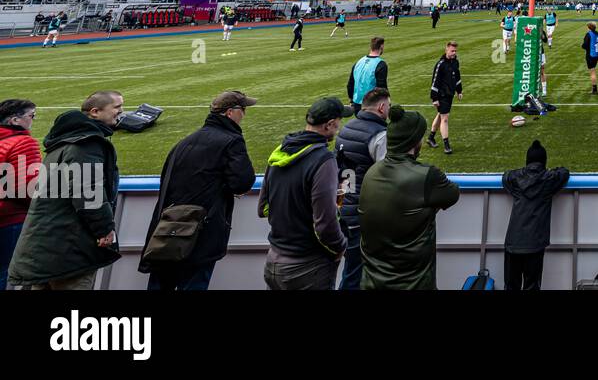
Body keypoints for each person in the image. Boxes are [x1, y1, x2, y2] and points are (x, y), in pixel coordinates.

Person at [139, 91, 257, 291]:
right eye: (242, 109)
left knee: (161, 282)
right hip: (201, 230)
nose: (244, 114)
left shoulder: (184, 142)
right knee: (194, 281)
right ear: (230, 113)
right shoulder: (231, 140)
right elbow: (243, 182)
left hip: (167, 229)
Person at [6, 91, 123, 291]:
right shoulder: (86, 143)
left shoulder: (63, 142)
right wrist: (104, 228)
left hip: (47, 244)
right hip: (68, 247)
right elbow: (88, 191)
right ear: (95, 112)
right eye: (117, 107)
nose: (121, 112)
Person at [358, 105, 460, 289]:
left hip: (372, 282)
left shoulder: (371, 173)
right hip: (414, 283)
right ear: (415, 141)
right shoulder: (427, 176)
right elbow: (452, 194)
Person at [258, 97, 348, 290]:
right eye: (338, 122)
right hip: (307, 268)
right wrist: (340, 246)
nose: (339, 127)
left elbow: (263, 207)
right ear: (329, 124)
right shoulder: (323, 160)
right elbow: (325, 224)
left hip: (274, 262)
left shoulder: (280, 151)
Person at [334, 87, 391, 290]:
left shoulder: (346, 128)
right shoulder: (380, 135)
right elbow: (387, 178)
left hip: (345, 208)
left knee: (351, 271)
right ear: (382, 107)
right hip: (365, 213)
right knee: (359, 274)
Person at [502, 140, 570, 290]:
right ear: (544, 162)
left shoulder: (516, 178)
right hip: (535, 244)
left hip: (513, 242)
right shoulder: (548, 180)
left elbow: (506, 177)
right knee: (532, 286)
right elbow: (564, 173)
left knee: (511, 286)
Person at [0, 100, 40, 291]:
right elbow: (27, 188)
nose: (33, 120)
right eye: (31, 116)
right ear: (15, 120)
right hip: (10, 219)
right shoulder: (23, 142)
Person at [428, 42, 462, 154]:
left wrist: (459, 90)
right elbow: (435, 81)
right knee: (445, 118)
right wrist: (434, 98)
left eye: (455, 51)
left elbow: (457, 76)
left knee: (441, 114)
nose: (454, 53)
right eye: (452, 51)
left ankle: (431, 137)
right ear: (446, 50)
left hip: (450, 94)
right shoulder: (440, 64)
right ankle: (446, 145)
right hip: (441, 95)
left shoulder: (455, 62)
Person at [346, 37, 388, 116]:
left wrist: (351, 100)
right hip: (372, 105)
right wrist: (386, 102)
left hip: (357, 103)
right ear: (381, 47)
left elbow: (350, 84)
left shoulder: (358, 62)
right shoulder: (380, 64)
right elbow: (381, 87)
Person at [582, 22, 598, 95]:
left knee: (592, 71)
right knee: (593, 70)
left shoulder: (588, 34)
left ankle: (594, 89)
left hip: (590, 55)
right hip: (597, 54)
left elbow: (584, 46)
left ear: (589, 28)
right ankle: (594, 88)